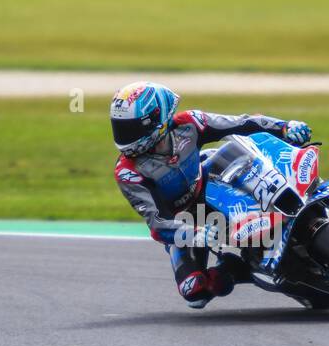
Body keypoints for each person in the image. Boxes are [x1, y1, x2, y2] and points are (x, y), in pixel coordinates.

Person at [111, 81, 312, 308]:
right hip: (185, 219)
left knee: (240, 153)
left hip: (212, 180)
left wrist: (284, 127)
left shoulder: (190, 122)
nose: (125, 136)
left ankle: (305, 194)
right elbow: (157, 223)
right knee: (193, 290)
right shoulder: (128, 172)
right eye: (120, 127)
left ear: (158, 118)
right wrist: (195, 234)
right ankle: (238, 269)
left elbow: (241, 123)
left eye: (131, 128)